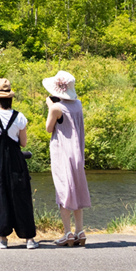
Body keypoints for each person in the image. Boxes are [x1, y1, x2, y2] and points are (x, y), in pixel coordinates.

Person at [0, 77, 38, 249]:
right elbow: (24, 143)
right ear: (10, 97)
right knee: (21, 197)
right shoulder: (19, 117)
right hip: (15, 162)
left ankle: (3, 238)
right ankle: (29, 239)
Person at [44, 70, 91, 246]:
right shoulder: (78, 104)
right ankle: (80, 231)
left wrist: (50, 106)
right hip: (77, 153)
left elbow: (49, 128)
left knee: (64, 191)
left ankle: (67, 233)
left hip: (61, 152)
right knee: (77, 190)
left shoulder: (56, 107)